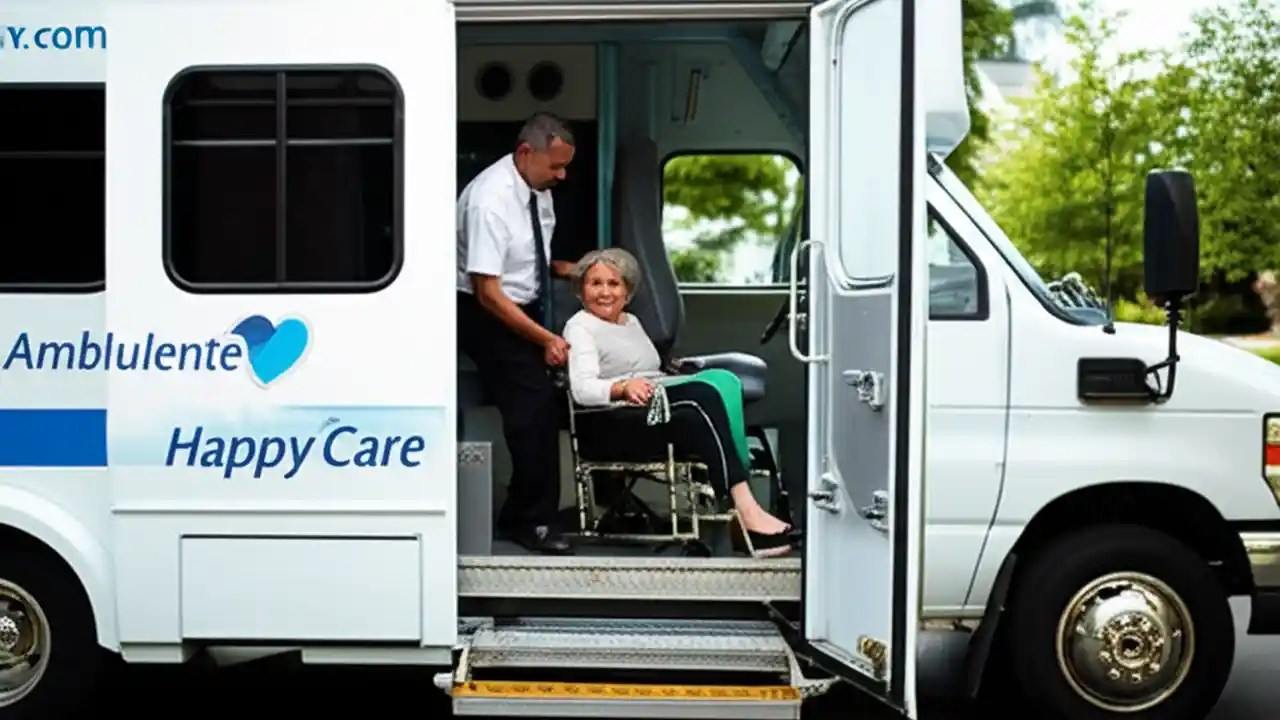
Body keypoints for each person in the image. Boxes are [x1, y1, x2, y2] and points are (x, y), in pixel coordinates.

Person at [561, 248, 799, 558]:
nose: (605, 292)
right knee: (704, 395)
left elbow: (646, 368)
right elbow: (583, 389)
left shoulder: (631, 322)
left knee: (723, 381)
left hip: (651, 400)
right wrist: (622, 387)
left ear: (627, 292)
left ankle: (741, 507)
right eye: (596, 284)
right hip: (616, 416)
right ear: (581, 290)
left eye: (613, 283)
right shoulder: (580, 327)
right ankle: (745, 510)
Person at [456, 113, 579, 555]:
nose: (562, 176)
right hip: (482, 311)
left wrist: (568, 269)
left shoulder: (536, 187)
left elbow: (525, 255)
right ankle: (531, 521)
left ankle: (527, 508)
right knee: (534, 403)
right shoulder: (490, 202)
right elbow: (487, 292)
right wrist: (545, 339)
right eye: (556, 166)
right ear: (526, 153)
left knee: (549, 394)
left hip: (523, 303)